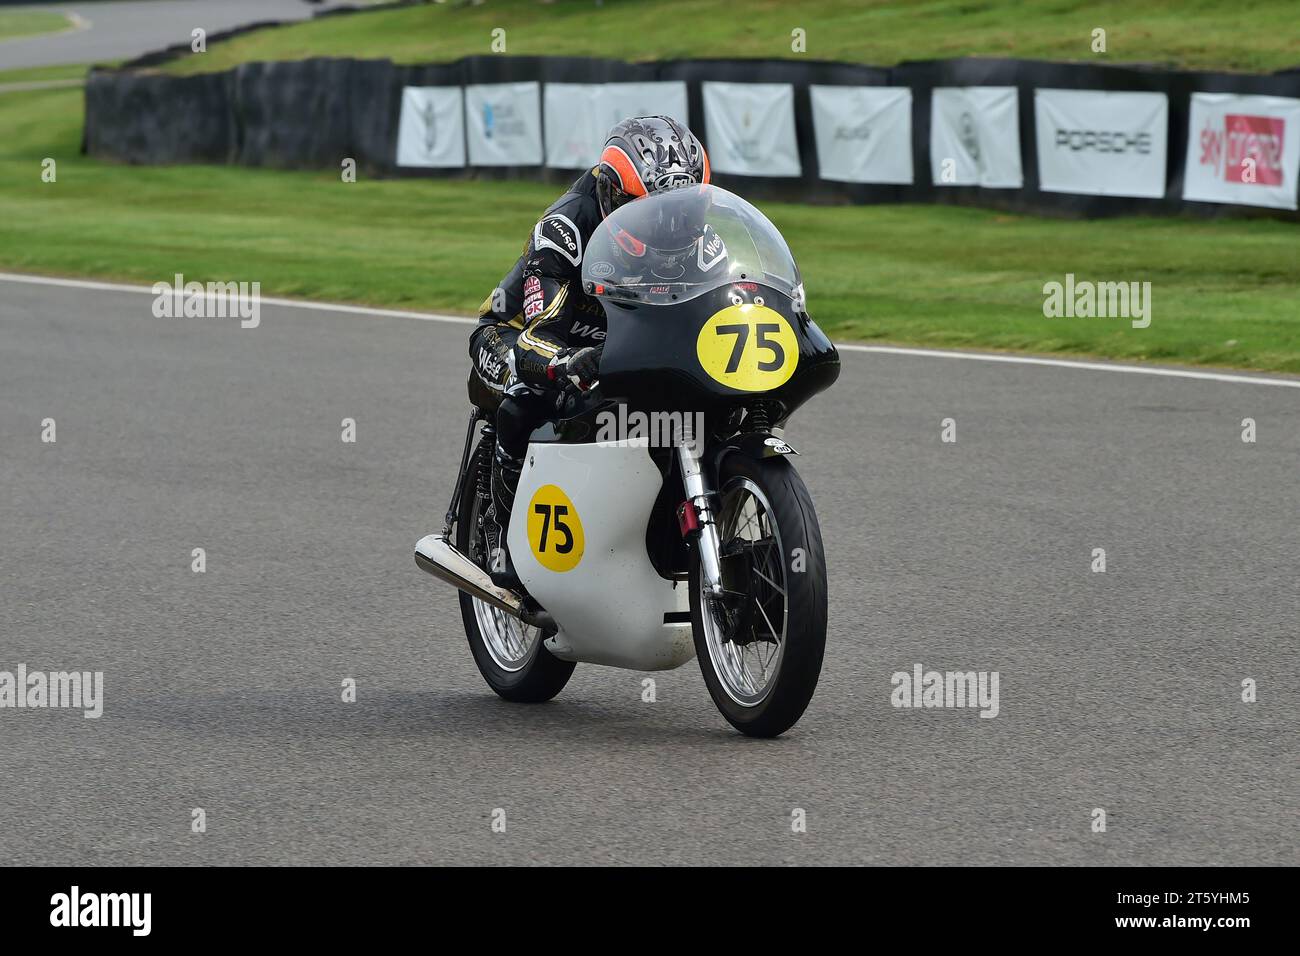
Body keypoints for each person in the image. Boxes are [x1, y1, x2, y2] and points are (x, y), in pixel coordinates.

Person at [468, 115, 711, 590]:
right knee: (526, 395)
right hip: (520, 335)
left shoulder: (699, 238)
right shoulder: (565, 229)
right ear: (612, 197)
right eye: (653, 212)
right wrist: (563, 361)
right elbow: (538, 332)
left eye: (683, 211)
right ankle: (503, 535)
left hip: (611, 342)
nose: (670, 227)